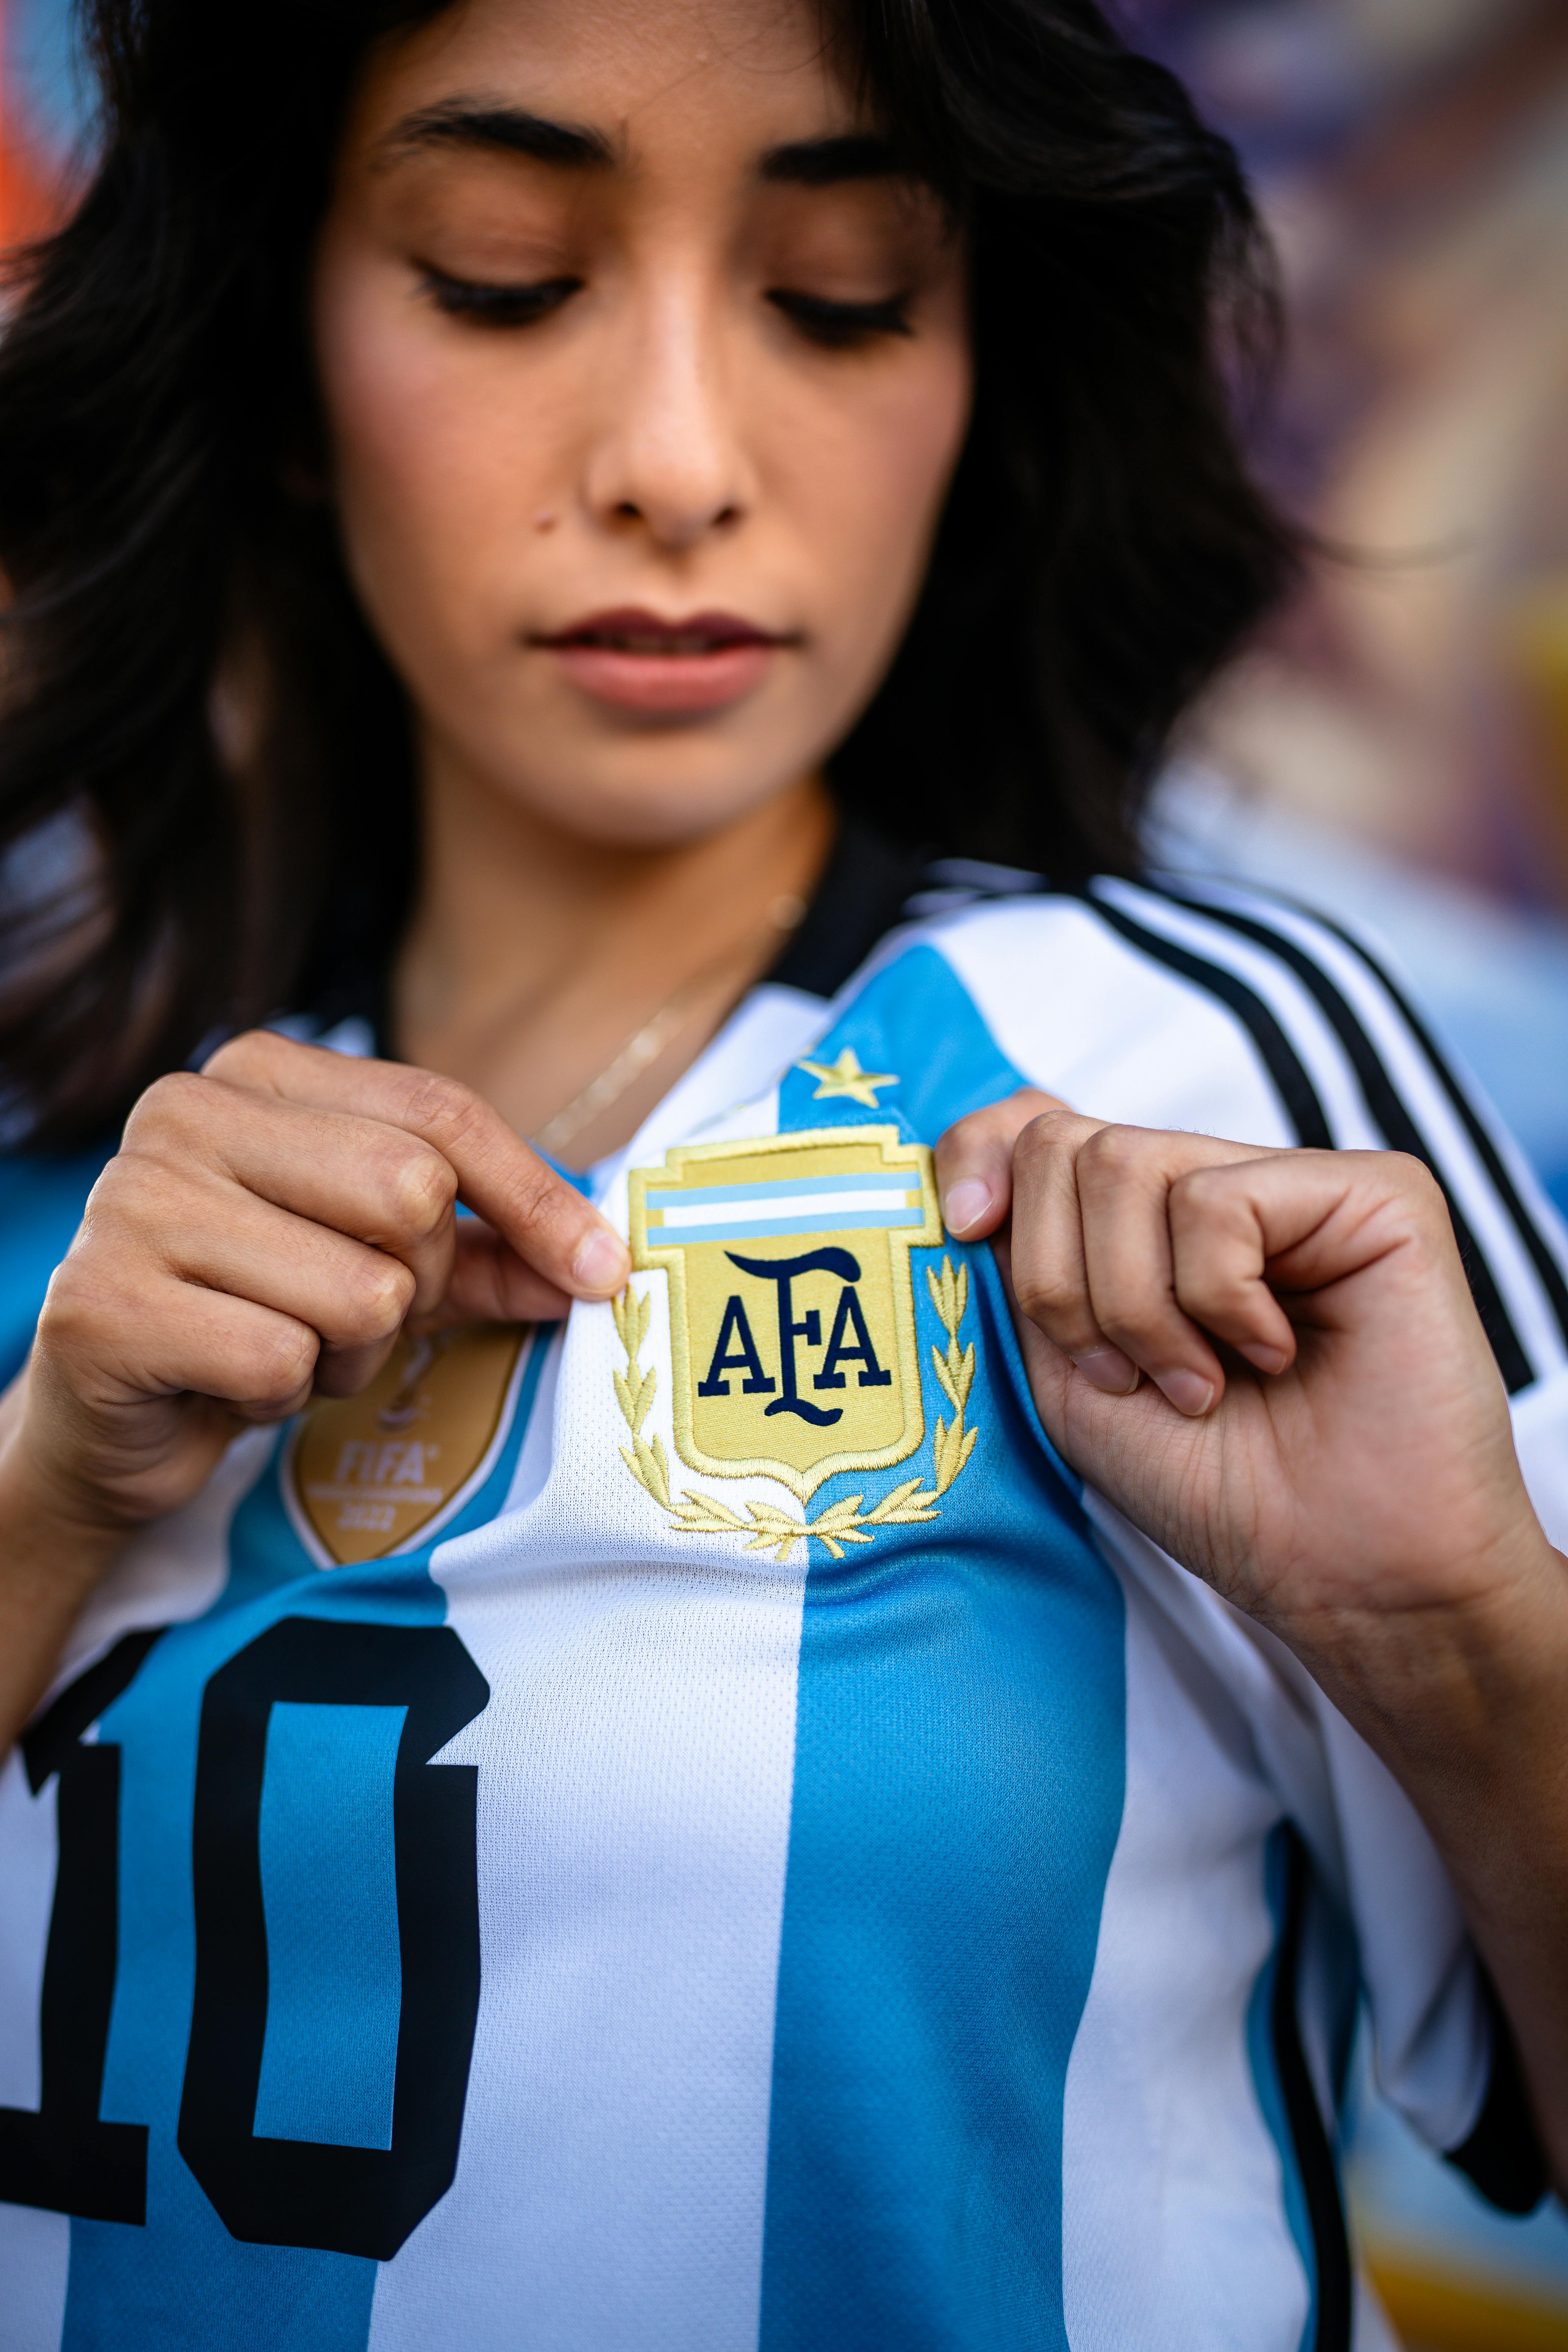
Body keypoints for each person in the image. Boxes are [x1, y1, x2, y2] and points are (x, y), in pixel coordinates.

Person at [0, 0, 1564, 2345]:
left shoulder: (1213, 1097)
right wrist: (39, 1503)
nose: (677, 457)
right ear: (284, 350)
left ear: (977, 376)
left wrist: (1455, 1640)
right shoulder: (67, 1148)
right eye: (505, 274)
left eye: (841, 299)